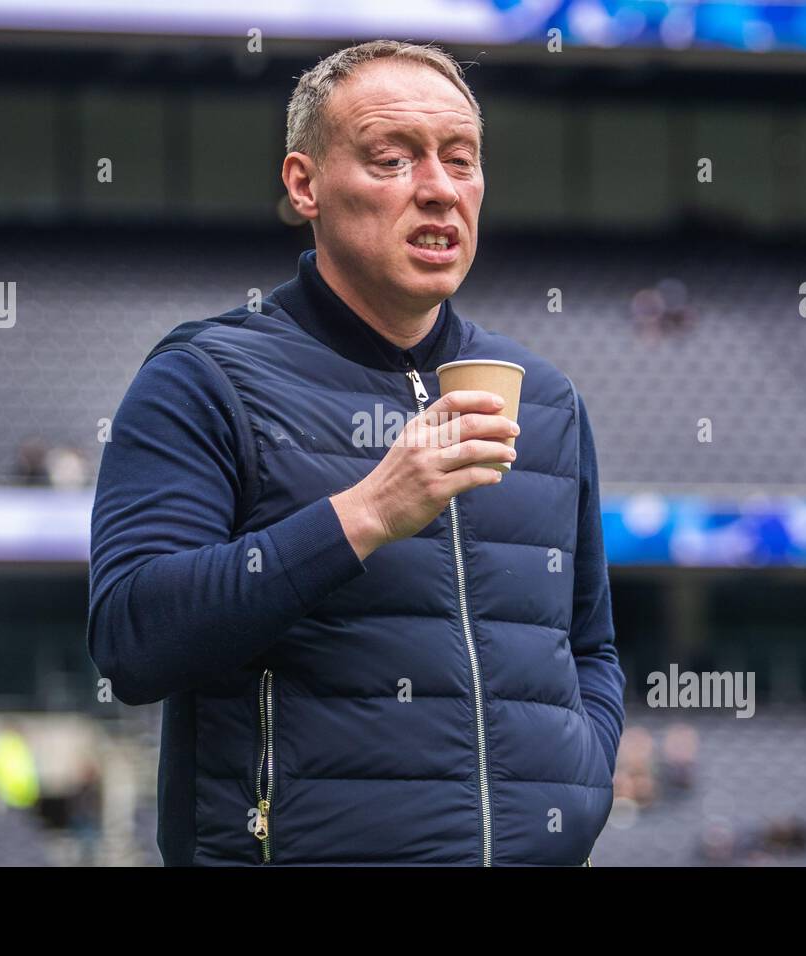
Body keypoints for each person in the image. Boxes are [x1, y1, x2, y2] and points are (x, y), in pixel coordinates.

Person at [87, 40, 625, 866]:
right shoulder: (204, 378)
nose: (440, 189)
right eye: (392, 159)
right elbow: (132, 638)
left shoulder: (546, 399)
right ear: (305, 185)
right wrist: (367, 513)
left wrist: (580, 786)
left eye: (461, 160)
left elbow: (589, 645)